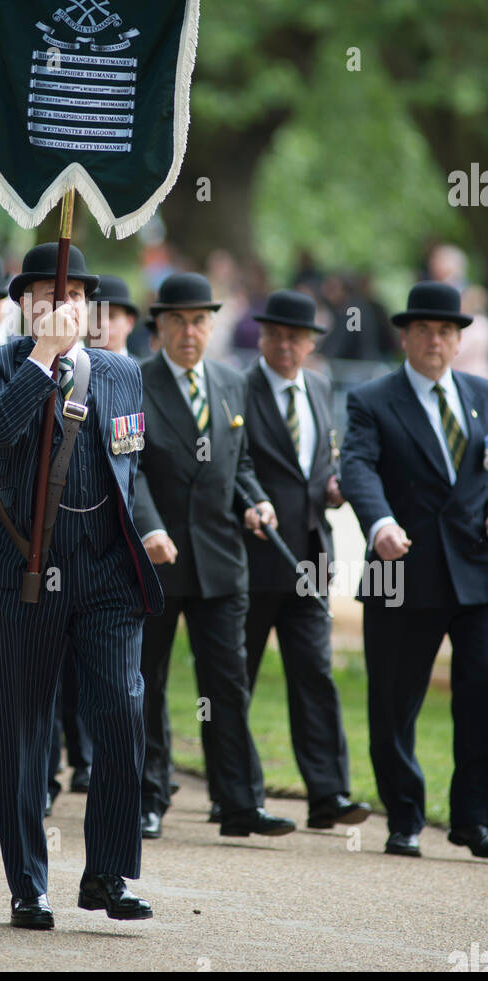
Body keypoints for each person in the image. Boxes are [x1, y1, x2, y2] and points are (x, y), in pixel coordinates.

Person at [0, 242, 163, 930]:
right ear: (22, 304)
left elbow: (128, 466)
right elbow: (0, 435)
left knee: (121, 716)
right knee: (23, 732)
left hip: (105, 572)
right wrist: (41, 360)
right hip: (23, 571)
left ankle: (106, 871)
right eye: (43, 295)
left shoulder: (121, 372)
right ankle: (27, 885)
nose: (57, 306)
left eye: (68, 296)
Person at [131, 272, 295, 841]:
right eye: (177, 320)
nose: (189, 331)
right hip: (155, 561)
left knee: (227, 684)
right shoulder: (135, 383)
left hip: (222, 561)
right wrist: (149, 529)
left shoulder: (231, 382)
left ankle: (239, 802)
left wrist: (257, 502)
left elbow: (239, 462)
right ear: (160, 328)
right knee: (145, 683)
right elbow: (130, 471)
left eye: (200, 320)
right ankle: (148, 796)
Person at [340, 281, 488, 859]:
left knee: (480, 696)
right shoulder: (372, 399)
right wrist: (379, 525)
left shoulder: (482, 395)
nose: (435, 340)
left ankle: (473, 819)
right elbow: (357, 466)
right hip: (397, 570)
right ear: (404, 335)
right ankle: (404, 817)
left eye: (446, 331)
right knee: (394, 702)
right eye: (424, 329)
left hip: (476, 575)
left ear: (458, 341)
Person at [243, 290, 369, 829]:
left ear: (312, 343)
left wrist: (333, 486)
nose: (287, 345)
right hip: (252, 556)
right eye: (277, 335)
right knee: (233, 679)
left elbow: (318, 464)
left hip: (312, 557)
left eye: (297, 337)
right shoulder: (238, 389)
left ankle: (329, 796)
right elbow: (234, 464)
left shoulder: (319, 386)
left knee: (315, 674)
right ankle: (238, 796)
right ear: (264, 337)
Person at [87, 274, 138, 357]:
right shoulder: (70, 368)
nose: (103, 324)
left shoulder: (144, 369)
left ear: (129, 323)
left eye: (112, 316)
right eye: (95, 316)